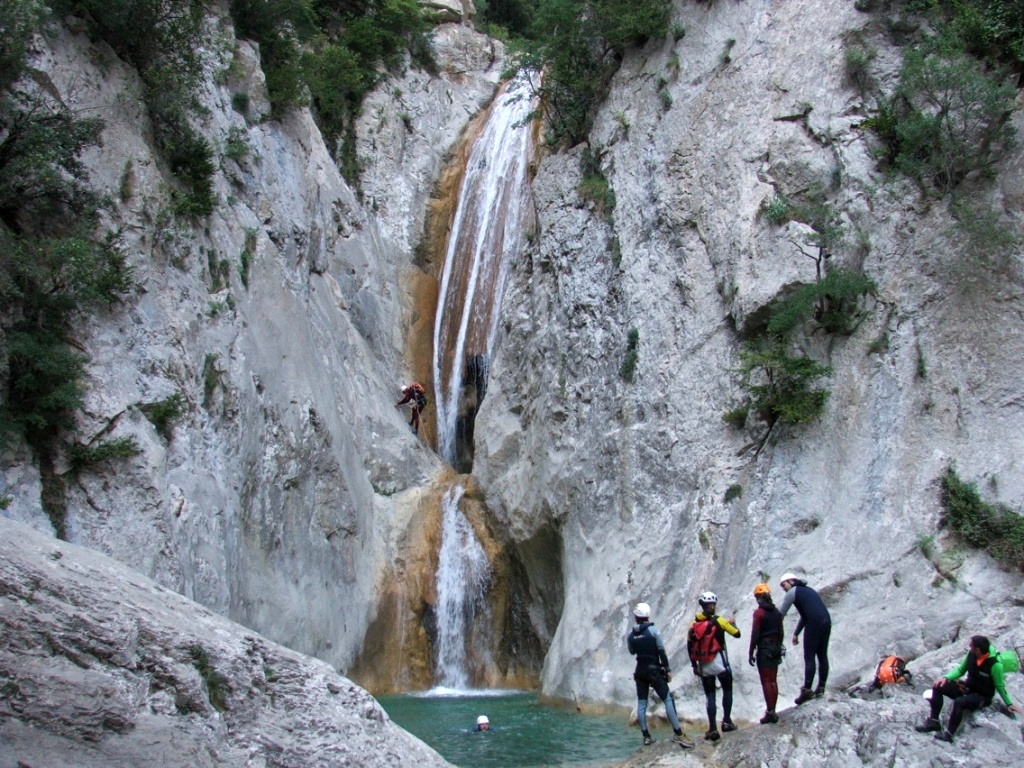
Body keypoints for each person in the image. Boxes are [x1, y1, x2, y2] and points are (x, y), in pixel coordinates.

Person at [915, 635, 1022, 743]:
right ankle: (934, 722)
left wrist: (1009, 704)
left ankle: (949, 734)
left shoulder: (995, 665)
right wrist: (945, 678)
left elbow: (1000, 686)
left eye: (971, 646)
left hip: (982, 696)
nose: (969, 648)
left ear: (978, 649)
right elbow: (961, 670)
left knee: (959, 702)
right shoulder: (971, 655)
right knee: (938, 686)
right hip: (967, 688)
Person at [627, 602, 695, 749]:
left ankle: (646, 736)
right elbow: (661, 651)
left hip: (640, 670)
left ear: (636, 617)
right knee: (667, 699)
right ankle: (678, 733)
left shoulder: (631, 635)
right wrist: (668, 669)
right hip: (654, 670)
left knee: (642, 703)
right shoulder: (653, 631)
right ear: (647, 615)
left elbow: (632, 651)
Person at [687, 591, 741, 741]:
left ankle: (712, 728)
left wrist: (693, 665)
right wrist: (732, 623)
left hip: (704, 665)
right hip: (720, 662)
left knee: (710, 696)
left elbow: (689, 645)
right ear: (713, 605)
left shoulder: (694, 624)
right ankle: (727, 721)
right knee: (727, 690)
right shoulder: (720, 621)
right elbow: (737, 634)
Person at [779, 572, 831, 704]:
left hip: (813, 623)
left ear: (791, 581)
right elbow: (806, 614)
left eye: (783, 584)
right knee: (822, 655)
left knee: (809, 657)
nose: (783, 588)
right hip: (826, 621)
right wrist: (796, 633)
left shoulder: (792, 593)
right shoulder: (808, 590)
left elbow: (780, 615)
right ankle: (821, 687)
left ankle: (807, 690)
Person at [748, 583, 785, 724]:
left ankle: (770, 711)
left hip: (765, 648)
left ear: (758, 597)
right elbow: (781, 632)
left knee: (766, 681)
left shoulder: (759, 613)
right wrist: (779, 646)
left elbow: (755, 633)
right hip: (775, 646)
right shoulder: (777, 613)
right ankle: (772, 709)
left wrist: (751, 651)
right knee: (773, 680)